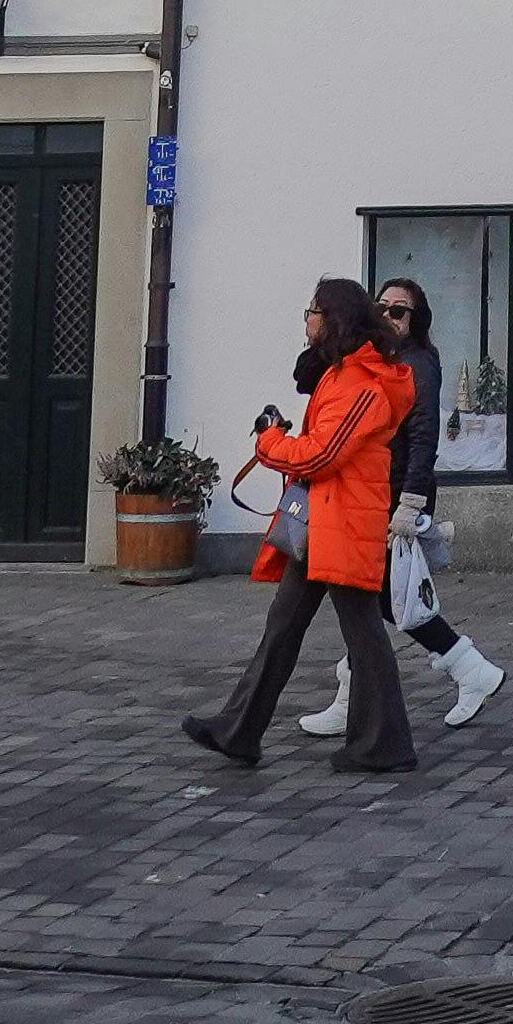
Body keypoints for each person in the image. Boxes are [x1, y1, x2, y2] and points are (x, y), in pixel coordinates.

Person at [185, 279, 417, 774]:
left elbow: (321, 455)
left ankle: (385, 745)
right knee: (285, 627)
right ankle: (239, 731)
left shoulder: (361, 384)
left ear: (332, 319)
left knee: (363, 635)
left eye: (312, 312)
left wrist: (268, 443)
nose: (307, 321)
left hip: (343, 525)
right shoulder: (339, 376)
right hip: (324, 524)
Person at [303, 277, 509, 737]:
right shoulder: (378, 358)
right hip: (376, 496)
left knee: (389, 600)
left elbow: (422, 438)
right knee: (374, 602)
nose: (390, 316)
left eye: (400, 311)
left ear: (416, 320)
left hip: (397, 498)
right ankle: (358, 694)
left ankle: (468, 668)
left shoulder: (417, 363)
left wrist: (409, 506)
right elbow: (305, 376)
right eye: (382, 307)